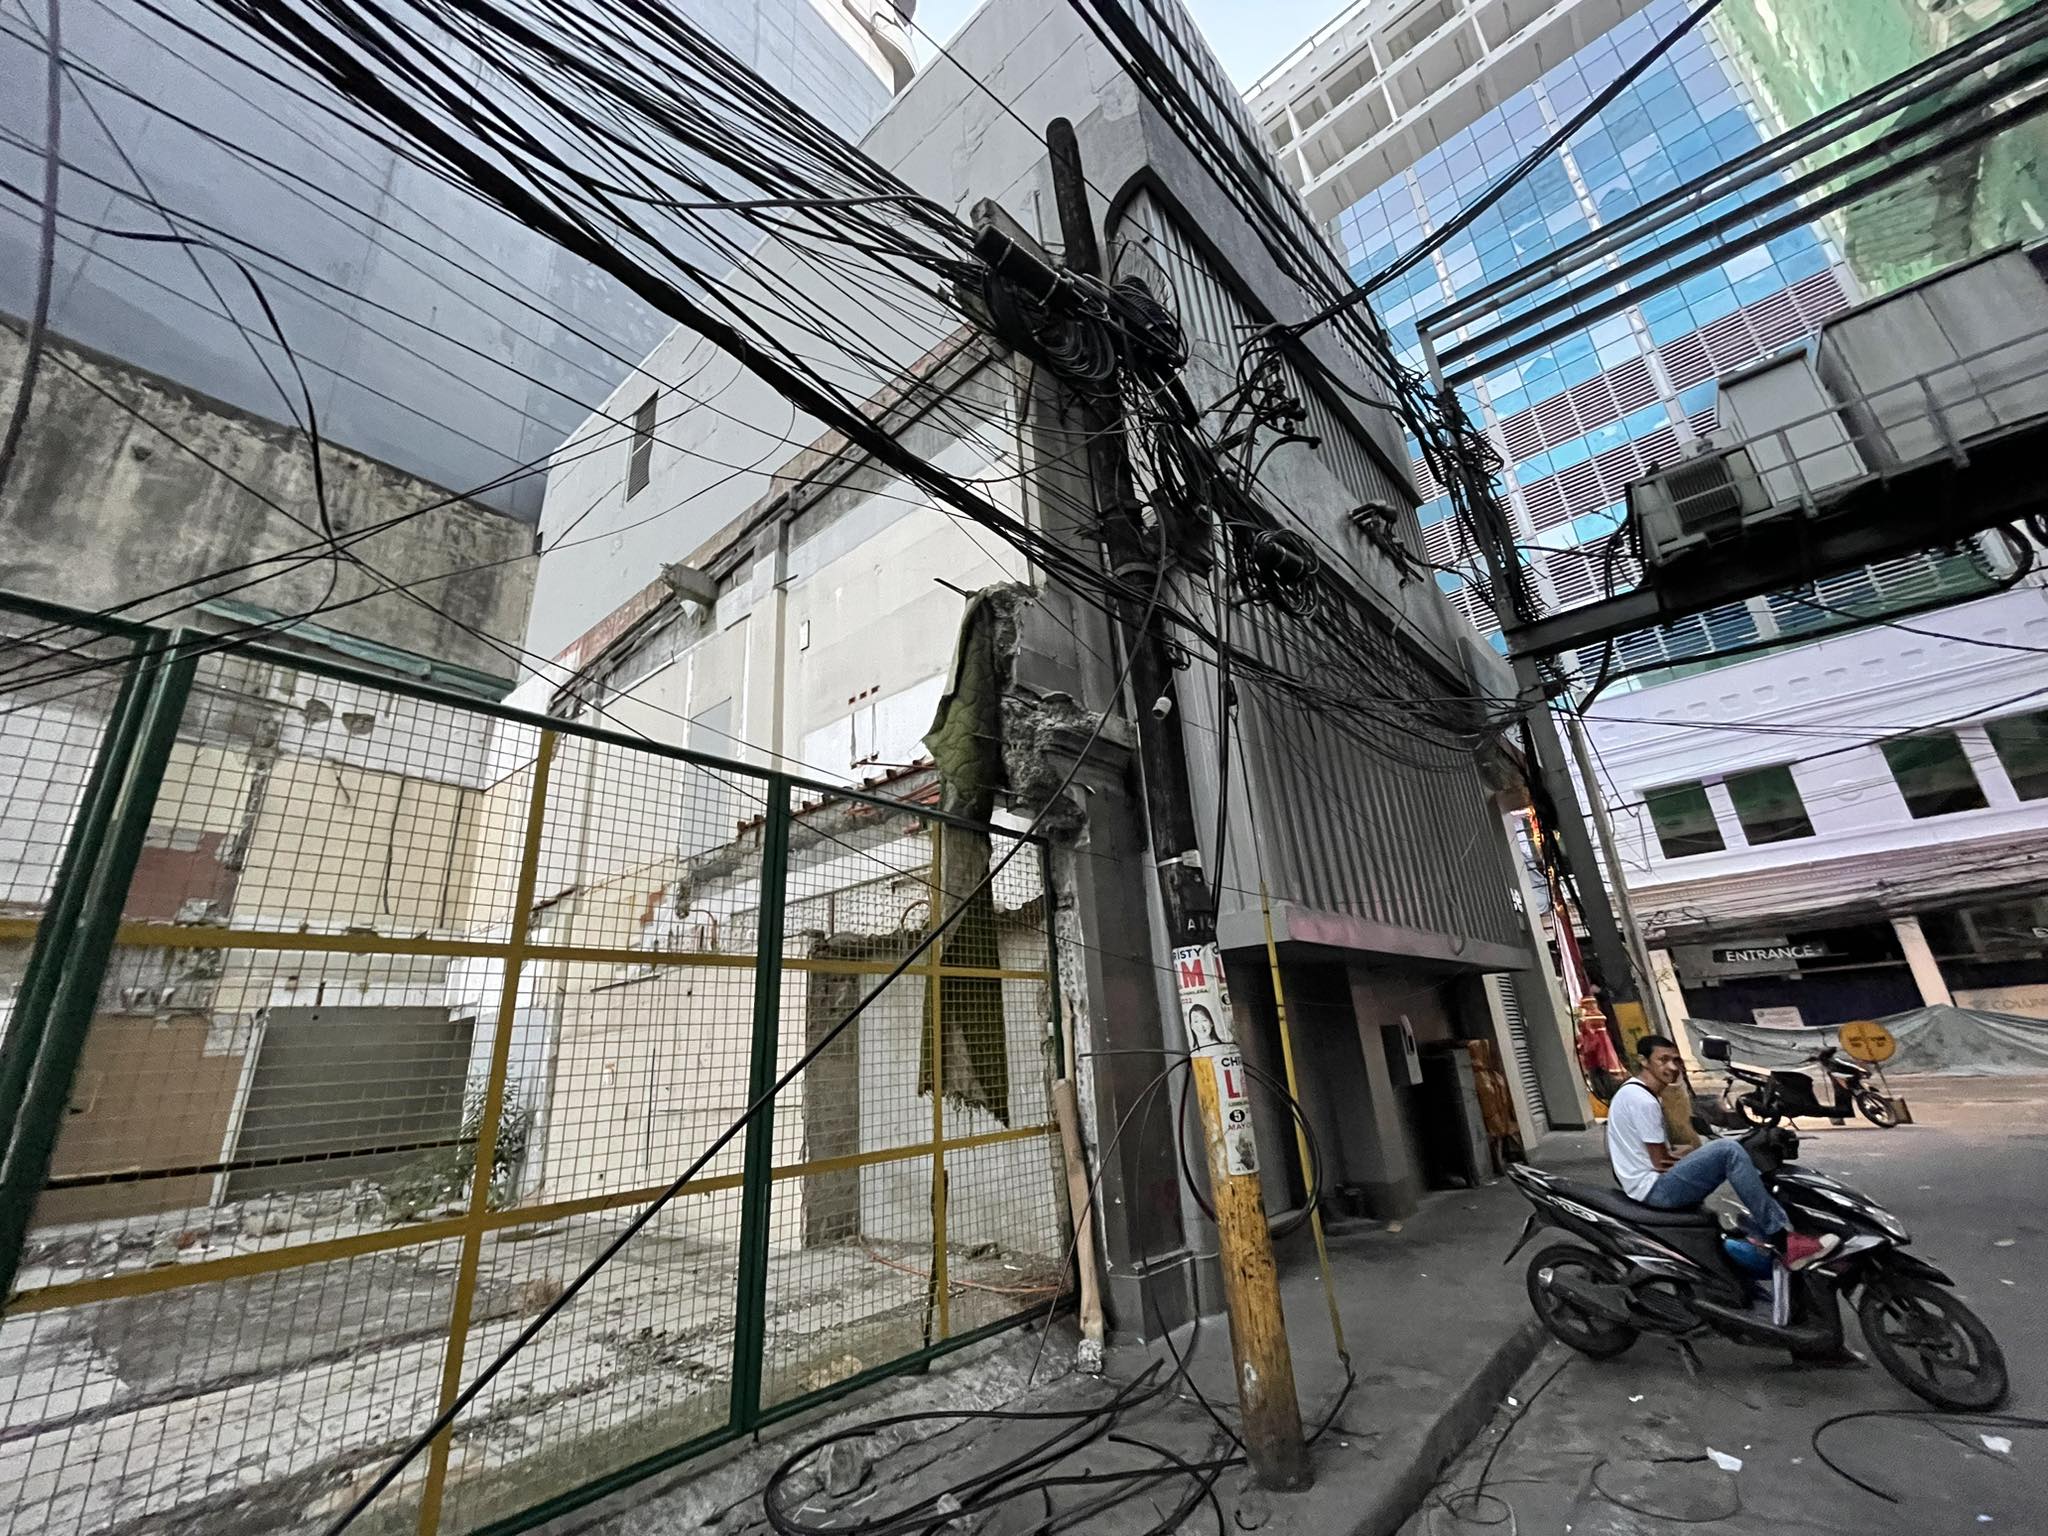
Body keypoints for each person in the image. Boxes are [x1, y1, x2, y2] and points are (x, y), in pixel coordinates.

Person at [1607, 1035, 1840, 1270]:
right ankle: (1784, 1240)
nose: (1671, 1067)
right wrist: (1701, 1156)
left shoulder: (1632, 1092)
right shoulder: (1643, 1101)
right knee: (1728, 1151)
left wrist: (1693, 1153)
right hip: (1654, 1190)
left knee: (1720, 1150)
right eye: (1663, 1060)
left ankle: (1762, 1233)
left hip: (1642, 1182)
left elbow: (1651, 1152)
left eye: (1676, 1060)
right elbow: (1660, 1162)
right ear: (1644, 1061)